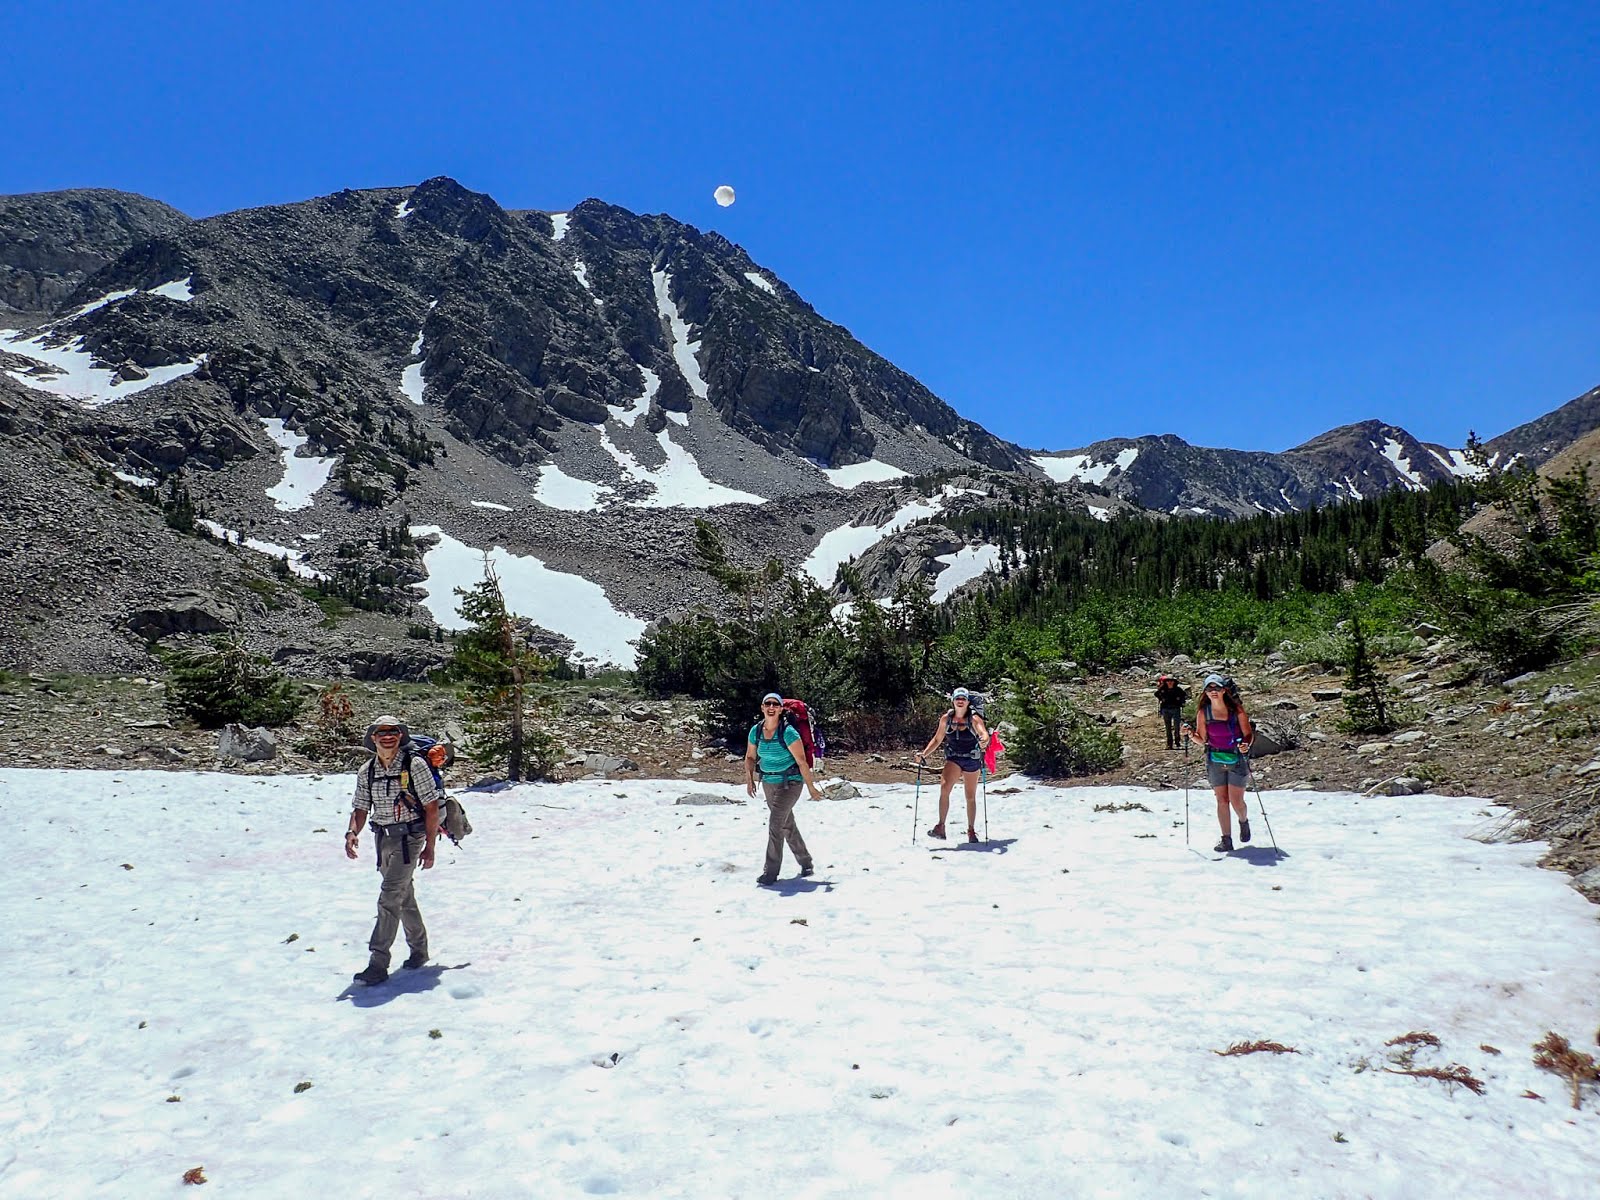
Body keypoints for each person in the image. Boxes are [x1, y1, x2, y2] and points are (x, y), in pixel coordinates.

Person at [344, 714, 441, 985]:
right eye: (382, 732)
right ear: (373, 738)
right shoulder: (367, 771)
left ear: (400, 736)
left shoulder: (415, 765)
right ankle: (419, 950)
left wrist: (430, 846)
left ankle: (377, 963)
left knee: (388, 898)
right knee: (403, 896)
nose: (388, 736)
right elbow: (361, 807)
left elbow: (431, 807)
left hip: (410, 839)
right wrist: (352, 832)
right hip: (383, 839)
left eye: (393, 732)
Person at [745, 692, 825, 885]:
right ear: (762, 708)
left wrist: (811, 788)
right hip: (768, 783)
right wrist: (749, 779)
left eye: (775, 704)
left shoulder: (789, 732)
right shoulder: (755, 731)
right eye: (767, 704)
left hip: (791, 783)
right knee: (786, 824)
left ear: (781, 709)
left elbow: (802, 761)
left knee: (775, 824)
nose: (771, 707)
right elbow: (750, 757)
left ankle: (770, 873)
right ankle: (806, 862)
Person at [1187, 675, 1254, 853]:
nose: (1213, 692)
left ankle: (1243, 821)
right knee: (1222, 800)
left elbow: (1248, 733)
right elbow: (1202, 739)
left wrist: (1245, 745)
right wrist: (1191, 735)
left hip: (1236, 759)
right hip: (1215, 759)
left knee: (1236, 801)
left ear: (1224, 690)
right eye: (1209, 689)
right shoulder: (1204, 712)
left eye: (1217, 688)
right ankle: (1226, 839)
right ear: (1205, 692)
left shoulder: (1236, 711)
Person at [917, 687, 992, 844]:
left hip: (972, 759)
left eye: (963, 699)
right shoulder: (946, 719)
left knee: (970, 796)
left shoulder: (974, 719)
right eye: (957, 698)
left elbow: (983, 733)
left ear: (967, 702)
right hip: (954, 758)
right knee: (944, 789)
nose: (960, 701)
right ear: (953, 701)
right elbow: (937, 739)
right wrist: (924, 754)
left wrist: (984, 739)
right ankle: (940, 826)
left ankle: (971, 830)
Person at [1154, 673, 1188, 750]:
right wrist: (1162, 698)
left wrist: (1180, 701)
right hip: (1166, 709)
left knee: (1176, 727)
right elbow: (1156, 694)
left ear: (1174, 682)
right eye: (1168, 680)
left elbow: (1184, 696)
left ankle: (1177, 742)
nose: (1170, 682)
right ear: (1166, 682)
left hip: (1176, 709)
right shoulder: (1163, 689)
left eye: (1171, 681)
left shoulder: (1178, 689)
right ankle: (1169, 744)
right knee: (1168, 727)